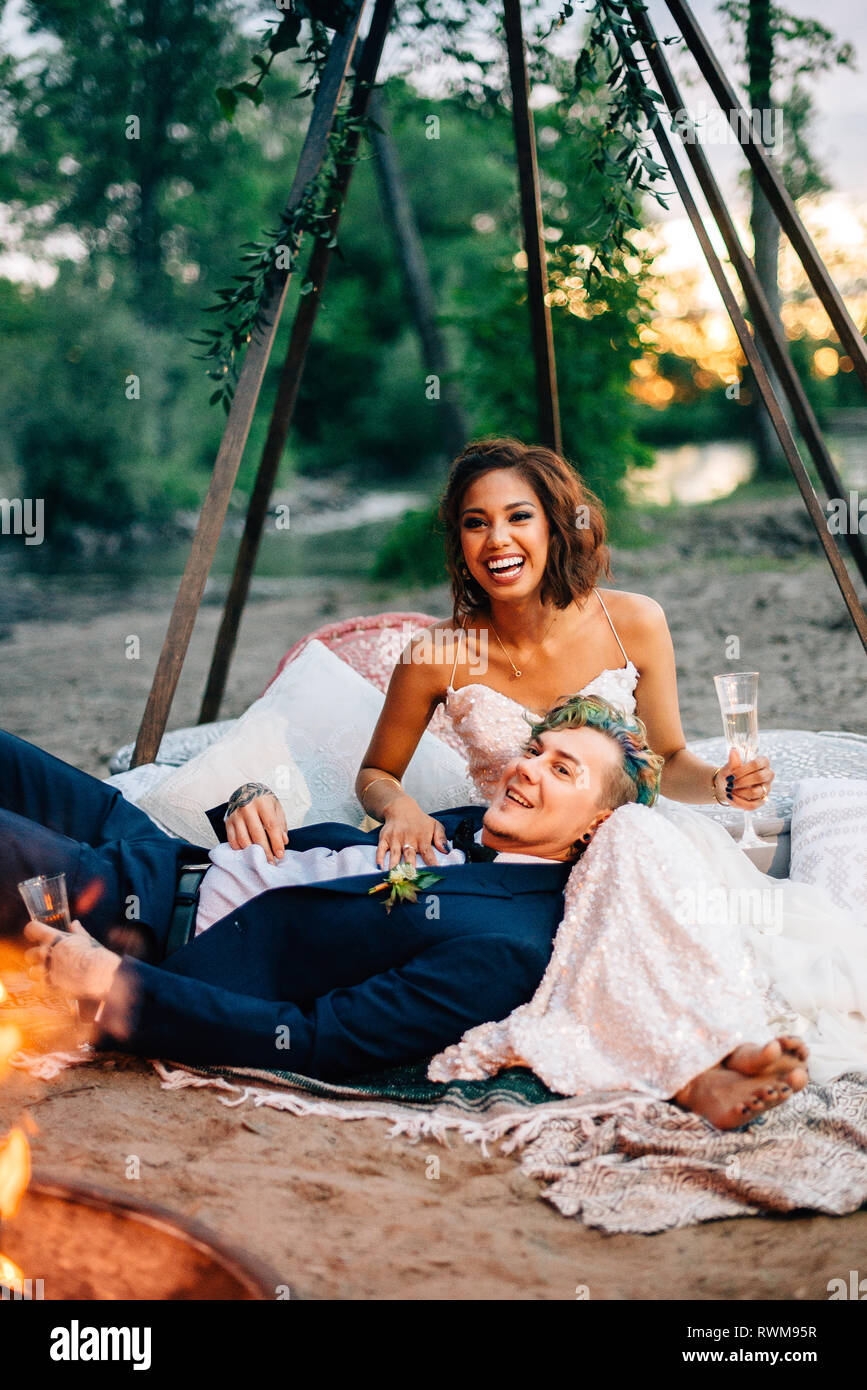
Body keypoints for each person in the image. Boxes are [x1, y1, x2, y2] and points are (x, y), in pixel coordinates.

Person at [5, 712, 803, 1130]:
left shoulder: (506, 948)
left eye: (562, 770)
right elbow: (320, 866)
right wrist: (243, 804)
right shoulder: (462, 824)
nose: (526, 767)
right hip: (152, 848)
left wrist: (120, 990)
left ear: (597, 826)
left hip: (128, 928)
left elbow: (317, 1037)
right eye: (536, 749)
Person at [354, 437, 776, 871]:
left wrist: (718, 783)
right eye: (476, 523)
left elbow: (665, 760)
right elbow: (376, 774)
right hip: (508, 857)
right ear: (460, 542)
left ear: (555, 526)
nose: (497, 539)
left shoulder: (635, 623)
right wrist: (400, 807)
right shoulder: (435, 653)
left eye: (519, 517)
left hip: (621, 850)